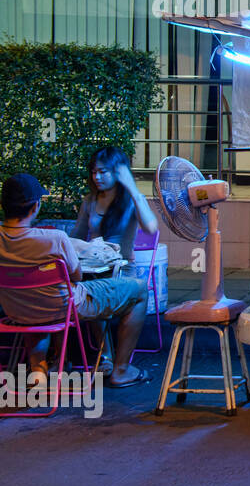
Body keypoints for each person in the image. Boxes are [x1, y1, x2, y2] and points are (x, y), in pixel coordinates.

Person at [0, 173, 149, 388]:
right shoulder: (54, 239)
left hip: (17, 311)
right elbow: (77, 276)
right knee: (139, 289)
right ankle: (121, 370)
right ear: (35, 207)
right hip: (63, 307)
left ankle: (39, 371)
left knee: (33, 302)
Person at [72, 146, 159, 261]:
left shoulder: (133, 200)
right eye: (94, 172)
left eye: (103, 172)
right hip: (93, 266)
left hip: (122, 270)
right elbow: (77, 235)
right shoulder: (90, 200)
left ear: (118, 173)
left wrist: (132, 188)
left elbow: (151, 228)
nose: (97, 177)